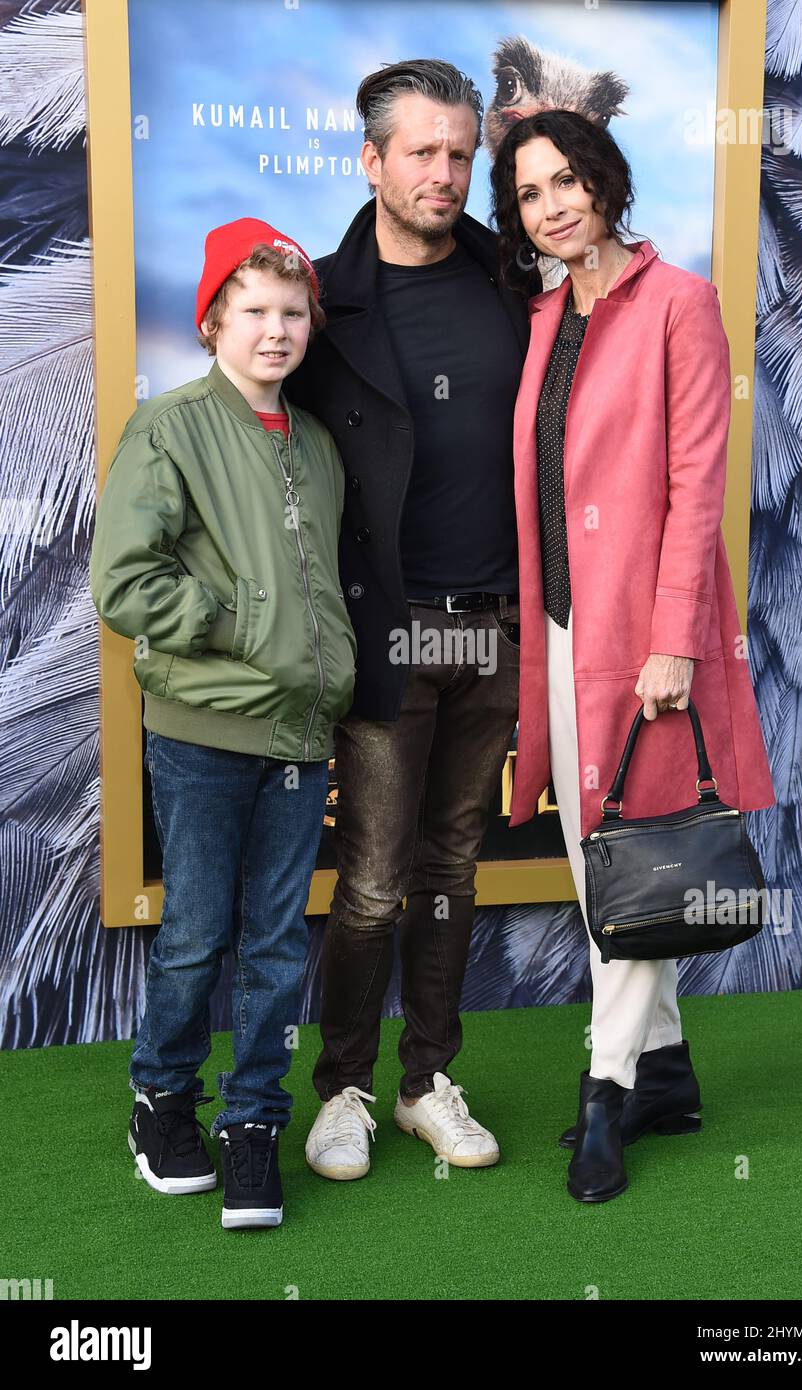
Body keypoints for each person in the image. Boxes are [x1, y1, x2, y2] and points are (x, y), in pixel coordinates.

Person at [490, 111, 776, 1203]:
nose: (554, 204)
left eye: (568, 180)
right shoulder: (545, 315)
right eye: (529, 193)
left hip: (646, 644)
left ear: (606, 182)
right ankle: (668, 1070)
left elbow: (697, 486)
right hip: (563, 635)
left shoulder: (681, 304)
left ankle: (607, 1091)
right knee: (607, 860)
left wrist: (671, 643)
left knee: (632, 855)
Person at [283, 60, 542, 1180]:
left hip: (496, 627)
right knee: (376, 879)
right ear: (372, 161)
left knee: (454, 866)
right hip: (390, 633)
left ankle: (427, 1078)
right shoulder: (320, 305)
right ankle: (341, 1086)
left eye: (459, 152)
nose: (445, 173)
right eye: (422, 152)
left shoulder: (517, 278)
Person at [89, 218, 357, 1229]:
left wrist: (331, 674)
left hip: (300, 736)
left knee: (280, 944)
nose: (276, 330)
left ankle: (253, 1120)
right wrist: (243, 619)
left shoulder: (320, 445)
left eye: (293, 312)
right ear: (212, 323)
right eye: (253, 311)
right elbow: (124, 582)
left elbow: (322, 584)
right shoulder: (171, 429)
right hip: (204, 732)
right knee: (198, 934)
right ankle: (163, 1097)